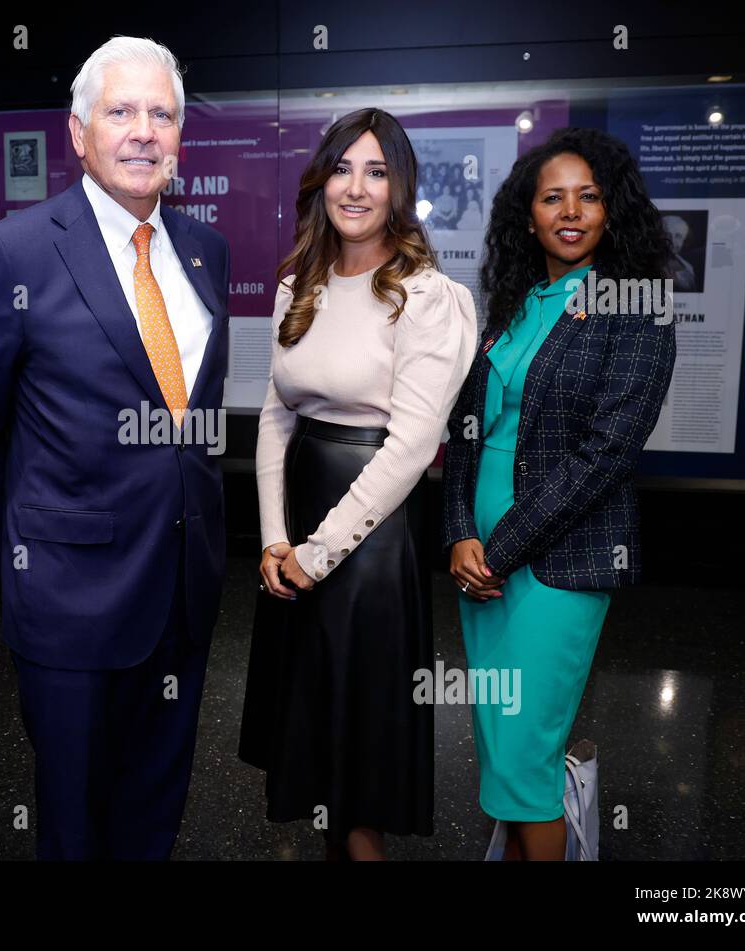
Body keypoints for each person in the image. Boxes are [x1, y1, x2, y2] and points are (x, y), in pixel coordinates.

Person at [0, 36, 230, 861]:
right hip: (70, 600)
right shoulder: (13, 253)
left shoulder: (208, 251)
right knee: (74, 823)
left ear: (180, 135)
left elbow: (192, 426)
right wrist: (45, 530)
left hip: (184, 587)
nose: (145, 131)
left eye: (163, 114)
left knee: (154, 809)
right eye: (122, 111)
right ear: (78, 132)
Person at [238, 108, 477, 860]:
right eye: (343, 167)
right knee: (317, 755)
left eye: (376, 171)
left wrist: (320, 550)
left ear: (400, 187)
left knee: (360, 774)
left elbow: (410, 447)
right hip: (301, 524)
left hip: (367, 545)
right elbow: (277, 417)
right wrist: (277, 538)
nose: (356, 187)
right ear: (322, 178)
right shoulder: (297, 283)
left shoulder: (426, 295)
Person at [442, 127, 677, 860]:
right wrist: (458, 532)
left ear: (614, 210)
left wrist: (500, 549)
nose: (570, 211)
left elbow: (607, 452)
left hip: (556, 563)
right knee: (503, 755)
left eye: (589, 196)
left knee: (524, 765)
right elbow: (468, 431)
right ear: (529, 213)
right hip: (476, 561)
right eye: (553, 197)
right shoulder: (514, 303)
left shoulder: (637, 303)